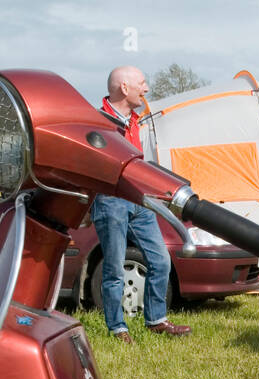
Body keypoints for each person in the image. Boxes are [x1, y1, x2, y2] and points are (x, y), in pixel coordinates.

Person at [91, 65, 191, 342]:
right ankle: (117, 328)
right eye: (142, 83)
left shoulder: (138, 122)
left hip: (139, 201)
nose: (146, 89)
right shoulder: (96, 120)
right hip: (111, 202)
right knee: (113, 268)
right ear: (125, 88)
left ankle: (156, 320)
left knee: (161, 261)